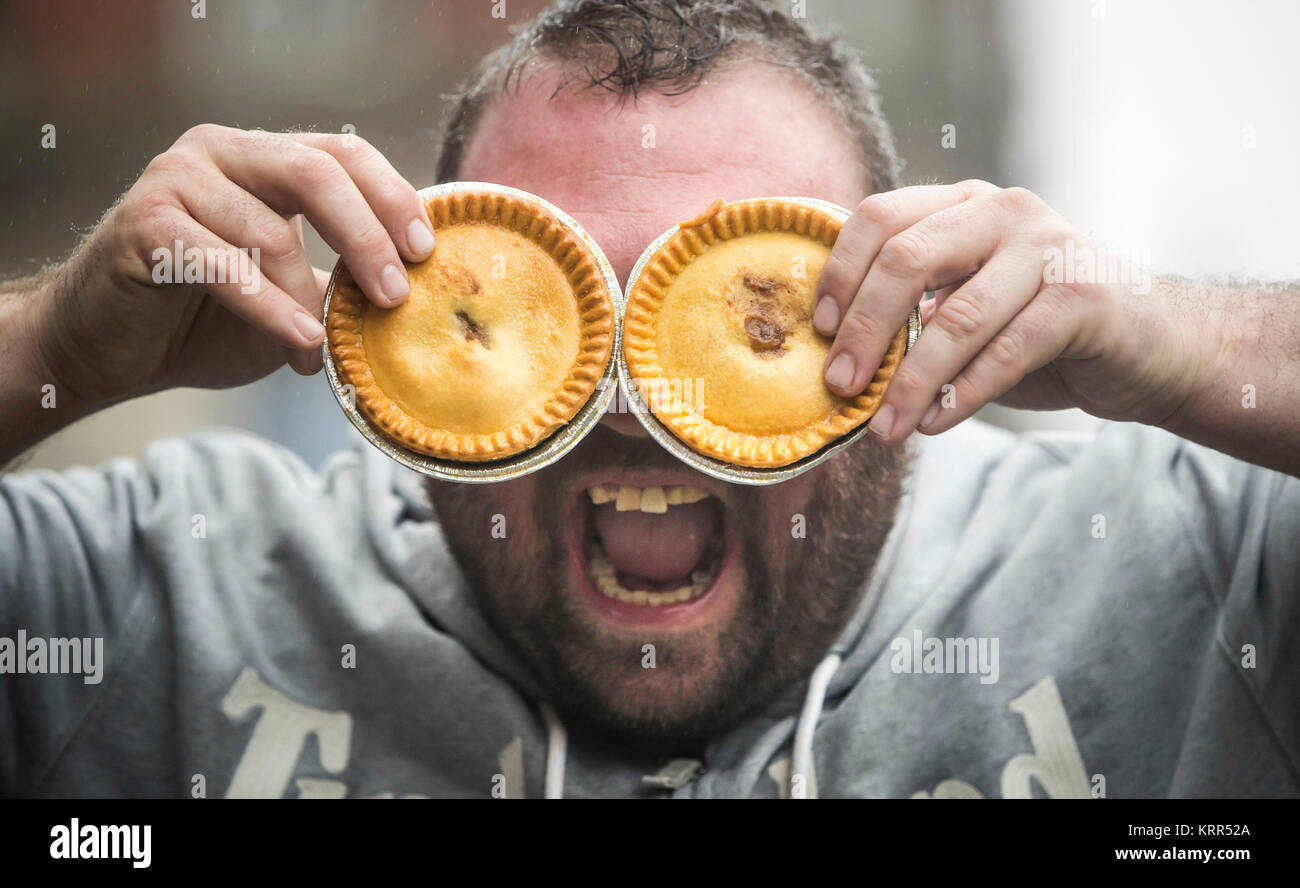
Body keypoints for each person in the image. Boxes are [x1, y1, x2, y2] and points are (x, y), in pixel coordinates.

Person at [1, 0, 1296, 799]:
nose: (629, 404)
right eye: (567, 317)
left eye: (750, 317)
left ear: (903, 312)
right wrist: (50, 344)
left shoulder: (1181, 575)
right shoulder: (162, 600)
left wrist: (1190, 330)